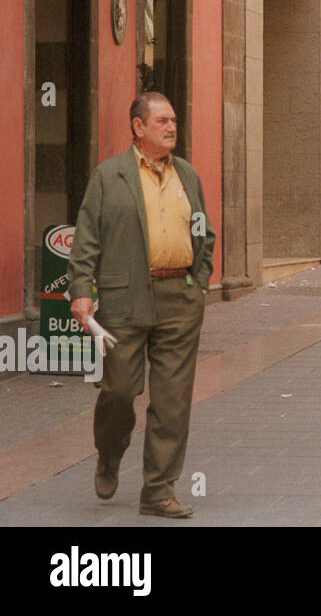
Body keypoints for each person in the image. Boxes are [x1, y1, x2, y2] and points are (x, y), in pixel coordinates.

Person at [68, 92, 215, 519]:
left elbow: (203, 230)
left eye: (174, 120)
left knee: (172, 400)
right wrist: (81, 289)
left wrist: (199, 282)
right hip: (122, 298)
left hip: (179, 299)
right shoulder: (108, 176)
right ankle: (110, 454)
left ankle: (158, 489)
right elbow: (85, 238)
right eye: (162, 121)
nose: (172, 127)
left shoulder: (187, 174)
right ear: (138, 126)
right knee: (117, 391)